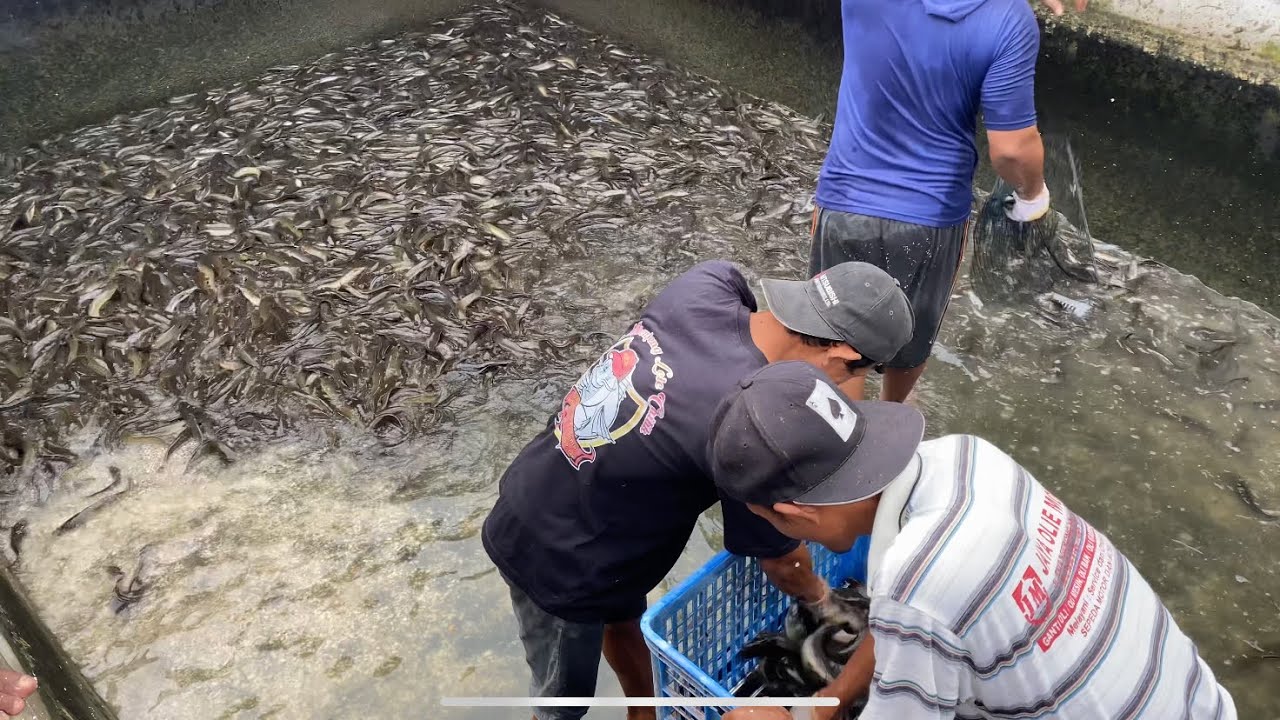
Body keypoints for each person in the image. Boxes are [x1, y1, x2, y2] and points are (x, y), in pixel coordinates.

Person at [481, 259, 915, 720]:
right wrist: (824, 602)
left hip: (563, 486)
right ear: (843, 357)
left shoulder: (709, 283)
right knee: (562, 698)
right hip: (556, 555)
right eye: (863, 371)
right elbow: (782, 561)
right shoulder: (751, 425)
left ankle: (644, 712)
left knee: (621, 614)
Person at [709, 361, 1238, 720]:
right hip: (1194, 698)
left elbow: (921, 607)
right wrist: (832, 698)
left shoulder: (918, 582)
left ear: (792, 512)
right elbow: (920, 617)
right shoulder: (966, 455)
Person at [809, 0, 1086, 404]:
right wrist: (1033, 195)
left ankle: (839, 434)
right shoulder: (1008, 20)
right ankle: (894, 418)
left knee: (836, 343)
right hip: (931, 217)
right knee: (912, 336)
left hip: (846, 198)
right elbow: (1010, 151)